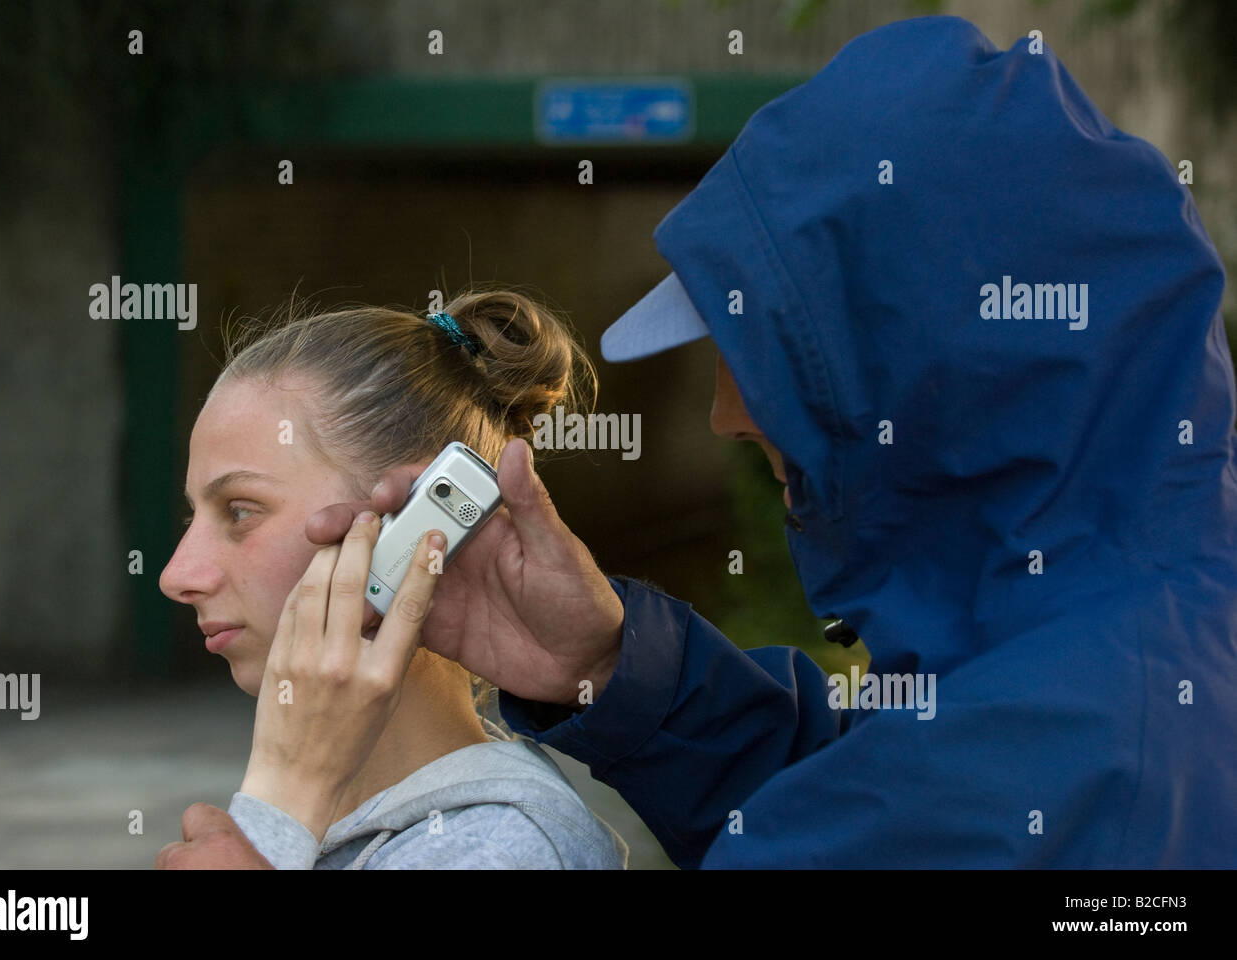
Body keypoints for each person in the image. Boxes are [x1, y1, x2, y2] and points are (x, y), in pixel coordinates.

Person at [160, 15, 1237, 869]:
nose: (725, 411)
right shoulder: (1124, 656)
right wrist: (617, 673)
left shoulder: (1044, 772)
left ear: (923, 367)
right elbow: (865, 783)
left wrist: (273, 832)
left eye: (767, 352)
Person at [155, 290, 627, 869]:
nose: (177, 575)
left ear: (413, 519)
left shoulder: (493, 852)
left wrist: (276, 809)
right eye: (191, 517)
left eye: (240, 510)